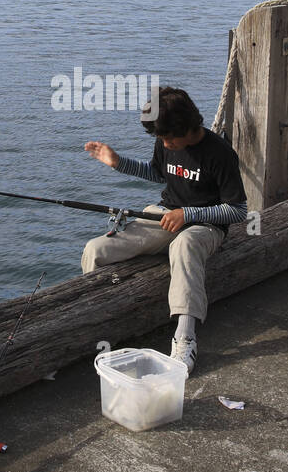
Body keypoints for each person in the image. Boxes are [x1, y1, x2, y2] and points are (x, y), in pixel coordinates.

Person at [81, 87, 247, 374]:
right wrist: (119, 163)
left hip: (206, 225)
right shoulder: (164, 141)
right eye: (160, 138)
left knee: (183, 245)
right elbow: (158, 174)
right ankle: (95, 324)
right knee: (96, 250)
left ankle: (185, 338)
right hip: (167, 215)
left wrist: (189, 214)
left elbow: (239, 210)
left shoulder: (220, 154)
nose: (164, 143)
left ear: (188, 127)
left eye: (169, 138)